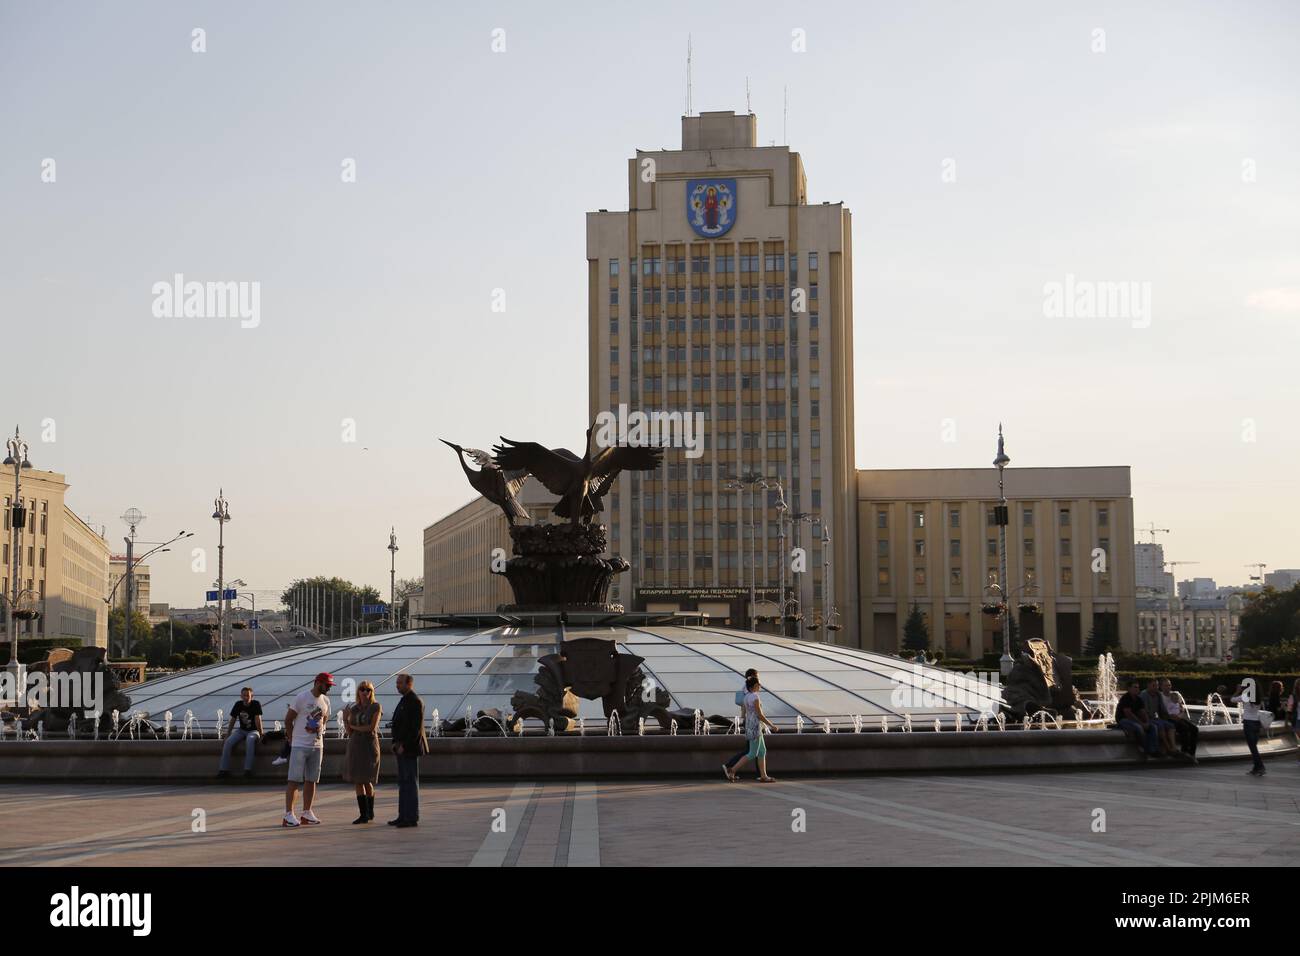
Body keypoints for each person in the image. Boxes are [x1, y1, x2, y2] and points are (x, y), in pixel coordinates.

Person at [283, 672, 334, 827]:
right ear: (318, 683)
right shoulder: (301, 697)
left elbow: (325, 718)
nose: (329, 688)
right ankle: (288, 815)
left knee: (312, 780)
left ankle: (307, 812)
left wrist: (321, 730)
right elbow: (288, 719)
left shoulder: (325, 700)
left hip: (317, 745)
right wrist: (292, 740)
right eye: (327, 685)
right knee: (294, 780)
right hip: (299, 745)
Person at [388, 673, 427, 828]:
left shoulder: (414, 701)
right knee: (403, 783)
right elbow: (398, 724)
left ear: (409, 684)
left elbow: (415, 728)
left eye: (400, 683)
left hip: (409, 749)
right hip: (401, 747)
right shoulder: (404, 700)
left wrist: (404, 744)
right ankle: (402, 815)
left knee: (410, 783)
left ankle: (411, 817)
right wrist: (395, 742)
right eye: (397, 683)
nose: (397, 685)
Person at [343, 680, 382, 824]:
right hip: (355, 746)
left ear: (372, 692)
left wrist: (352, 726)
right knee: (358, 780)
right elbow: (349, 732)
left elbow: (371, 727)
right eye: (362, 689)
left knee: (367, 780)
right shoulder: (354, 709)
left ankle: (370, 811)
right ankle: (364, 814)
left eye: (368, 690)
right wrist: (345, 719)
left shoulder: (376, 707)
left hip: (369, 746)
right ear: (358, 692)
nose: (365, 692)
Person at [726, 675, 777, 782]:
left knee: (762, 751)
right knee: (752, 753)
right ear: (754, 685)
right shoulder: (755, 697)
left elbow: (744, 714)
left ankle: (763, 776)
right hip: (755, 726)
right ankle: (732, 770)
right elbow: (760, 715)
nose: (760, 686)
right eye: (759, 684)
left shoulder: (746, 697)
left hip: (750, 724)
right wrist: (771, 725)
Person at [217, 687, 263, 778]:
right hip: (241, 730)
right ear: (241, 696)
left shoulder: (256, 704)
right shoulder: (238, 704)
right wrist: (228, 734)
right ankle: (223, 770)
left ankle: (247, 770)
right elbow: (233, 720)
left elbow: (258, 720)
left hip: (253, 731)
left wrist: (261, 734)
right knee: (228, 742)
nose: (246, 697)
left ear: (252, 696)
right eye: (244, 695)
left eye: (248, 695)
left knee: (250, 741)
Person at [722, 669, 758, 780]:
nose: (759, 681)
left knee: (755, 749)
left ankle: (761, 774)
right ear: (752, 677)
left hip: (749, 720)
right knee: (751, 750)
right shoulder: (749, 691)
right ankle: (730, 766)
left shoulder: (745, 689)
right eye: (757, 677)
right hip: (751, 721)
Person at [1159, 677, 1199, 763]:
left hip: (1178, 717)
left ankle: (1192, 753)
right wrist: (1170, 717)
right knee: (1184, 728)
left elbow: (1181, 708)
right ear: (1161, 687)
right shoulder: (1160, 696)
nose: (1168, 687)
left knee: (1195, 729)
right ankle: (1184, 752)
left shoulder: (1175, 694)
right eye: (1165, 685)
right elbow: (1160, 711)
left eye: (1169, 685)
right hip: (1168, 719)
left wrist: (1180, 716)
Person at [1115, 680, 1158, 757]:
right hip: (1123, 720)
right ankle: (1144, 748)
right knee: (1138, 727)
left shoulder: (1139, 699)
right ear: (1129, 688)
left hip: (1134, 720)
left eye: (1138, 687)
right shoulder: (1125, 698)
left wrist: (1147, 722)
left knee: (1153, 727)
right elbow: (1128, 714)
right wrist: (1141, 724)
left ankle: (1153, 750)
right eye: (1135, 687)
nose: (1137, 689)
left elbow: (1143, 712)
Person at [1232, 680, 1266, 776]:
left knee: (1253, 748)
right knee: (1254, 747)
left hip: (1248, 723)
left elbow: (1232, 699)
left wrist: (1238, 691)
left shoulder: (1246, 697)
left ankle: (1261, 767)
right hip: (1257, 724)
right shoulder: (1259, 698)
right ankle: (1256, 768)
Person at [1140, 678, 1179, 757]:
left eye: (1157, 685)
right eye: (1154, 685)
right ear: (1148, 686)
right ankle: (1168, 748)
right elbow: (1144, 712)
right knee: (1159, 726)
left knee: (1171, 725)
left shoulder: (1158, 694)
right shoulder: (1144, 694)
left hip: (1154, 718)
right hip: (1145, 719)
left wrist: (1171, 717)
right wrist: (1148, 722)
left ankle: (1174, 747)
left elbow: (1163, 709)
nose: (1156, 687)